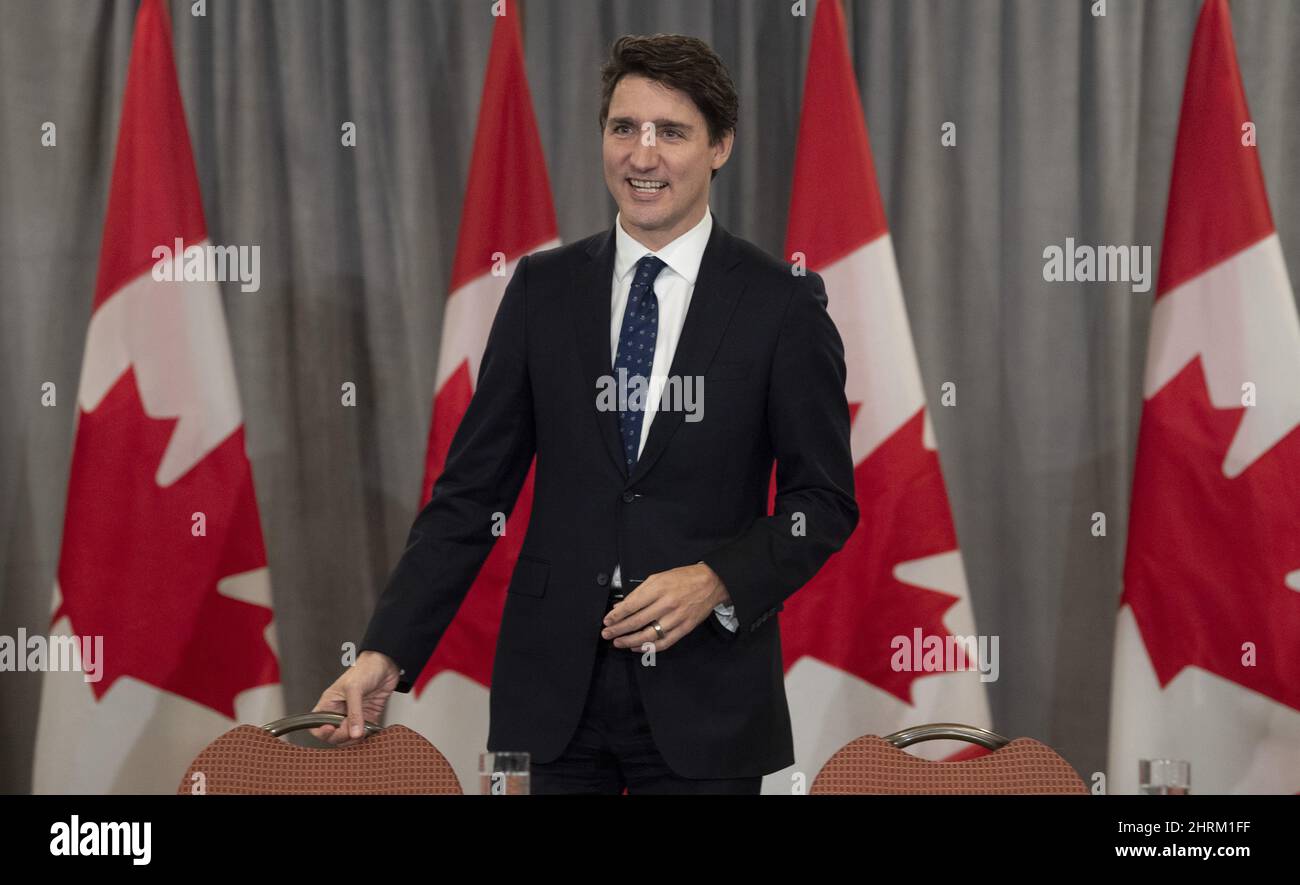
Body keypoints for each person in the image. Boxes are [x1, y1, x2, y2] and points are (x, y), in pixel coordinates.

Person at [311, 33, 857, 794]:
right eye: (623, 128)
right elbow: (471, 494)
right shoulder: (543, 290)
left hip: (708, 698)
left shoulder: (782, 304)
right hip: (550, 694)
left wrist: (716, 580)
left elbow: (823, 501)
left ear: (720, 146)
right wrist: (385, 650)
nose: (642, 155)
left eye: (671, 132)